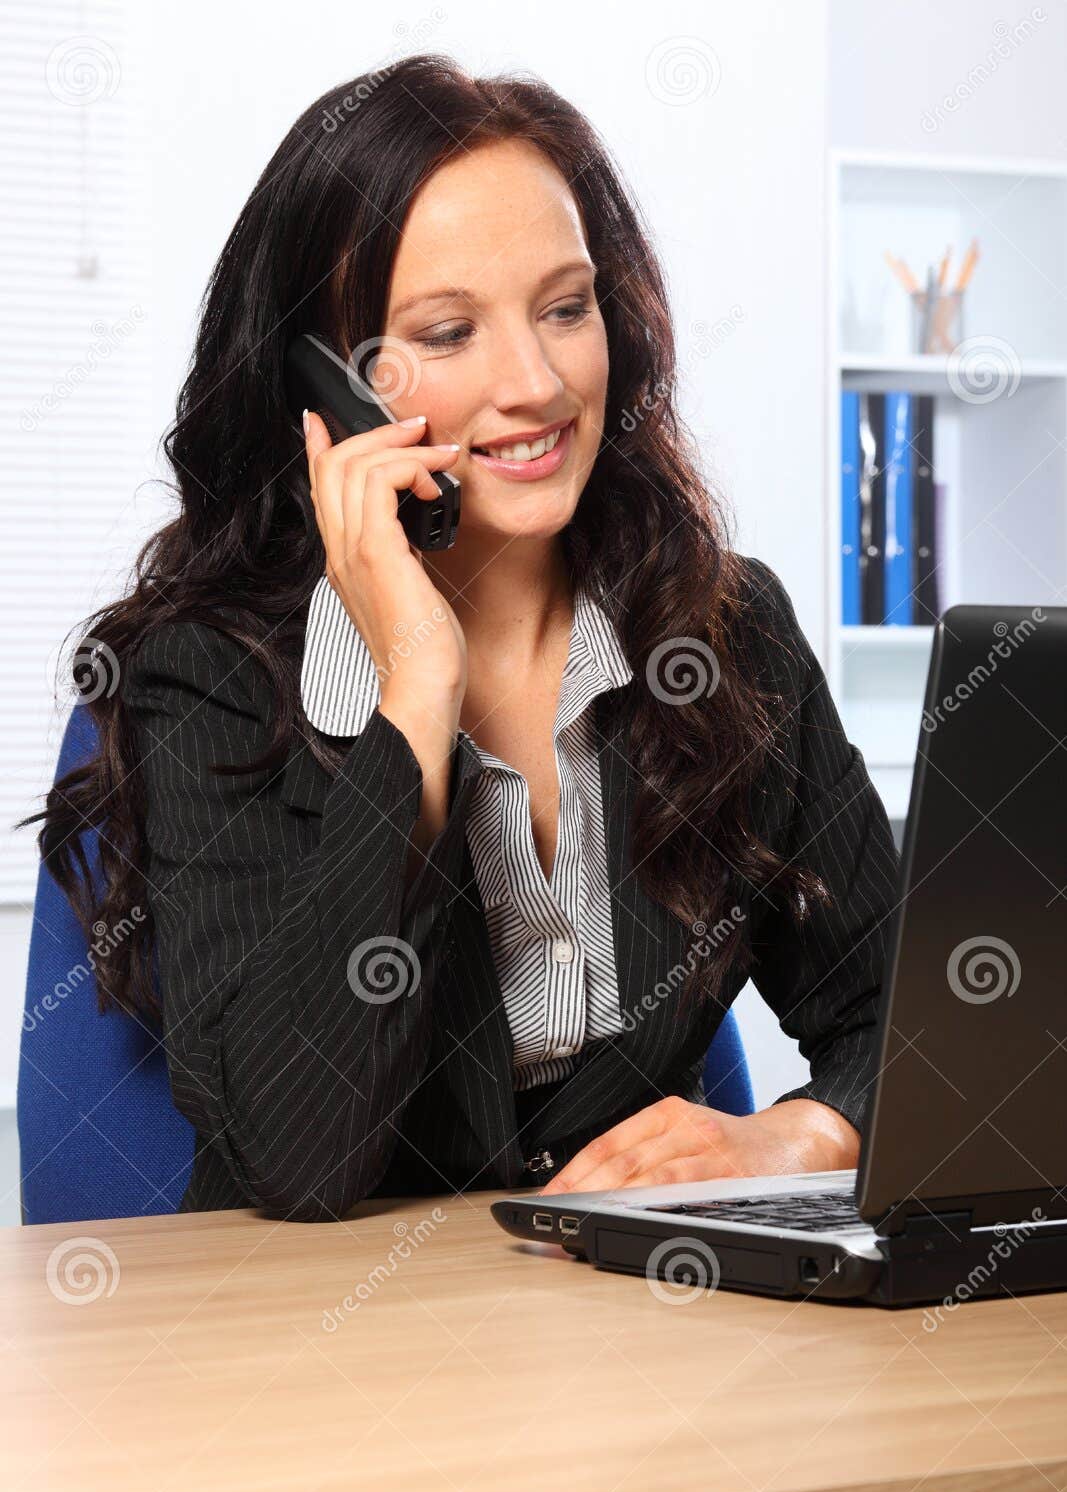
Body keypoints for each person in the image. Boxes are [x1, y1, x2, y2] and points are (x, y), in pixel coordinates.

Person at [30, 55, 898, 1221]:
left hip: (639, 1337)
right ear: (326, 385)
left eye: (564, 307)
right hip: (318, 1362)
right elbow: (300, 1158)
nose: (534, 383)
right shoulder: (204, 679)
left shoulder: (726, 636)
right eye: (447, 332)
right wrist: (415, 691)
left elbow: (933, 1022)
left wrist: (808, 1129)